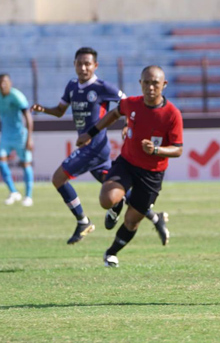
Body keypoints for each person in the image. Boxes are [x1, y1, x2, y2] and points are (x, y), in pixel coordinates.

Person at [31, 47, 169, 245]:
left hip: (94, 148)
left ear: (95, 66)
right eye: (80, 63)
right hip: (93, 152)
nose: (83, 67)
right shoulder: (71, 86)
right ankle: (156, 218)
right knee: (117, 192)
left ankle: (82, 221)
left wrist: (127, 123)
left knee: (58, 178)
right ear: (74, 65)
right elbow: (61, 111)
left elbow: (127, 103)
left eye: (88, 63)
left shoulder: (102, 87)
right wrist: (43, 109)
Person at [76, 65, 183, 268]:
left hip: (152, 174)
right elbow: (114, 114)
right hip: (127, 164)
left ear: (164, 85)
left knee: (132, 221)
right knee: (107, 199)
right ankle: (116, 205)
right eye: (146, 82)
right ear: (140, 83)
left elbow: (178, 149)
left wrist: (156, 150)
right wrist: (90, 133)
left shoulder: (172, 114)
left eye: (155, 83)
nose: (150, 87)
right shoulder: (132, 103)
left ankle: (111, 253)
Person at [0, 74, 34, 206]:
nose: (3, 85)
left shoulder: (17, 96)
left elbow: (28, 117)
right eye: (1, 82)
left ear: (10, 83)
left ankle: (28, 196)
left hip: (20, 135)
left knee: (25, 164)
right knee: (1, 161)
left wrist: (29, 138)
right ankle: (13, 192)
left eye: (5, 82)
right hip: (6, 135)